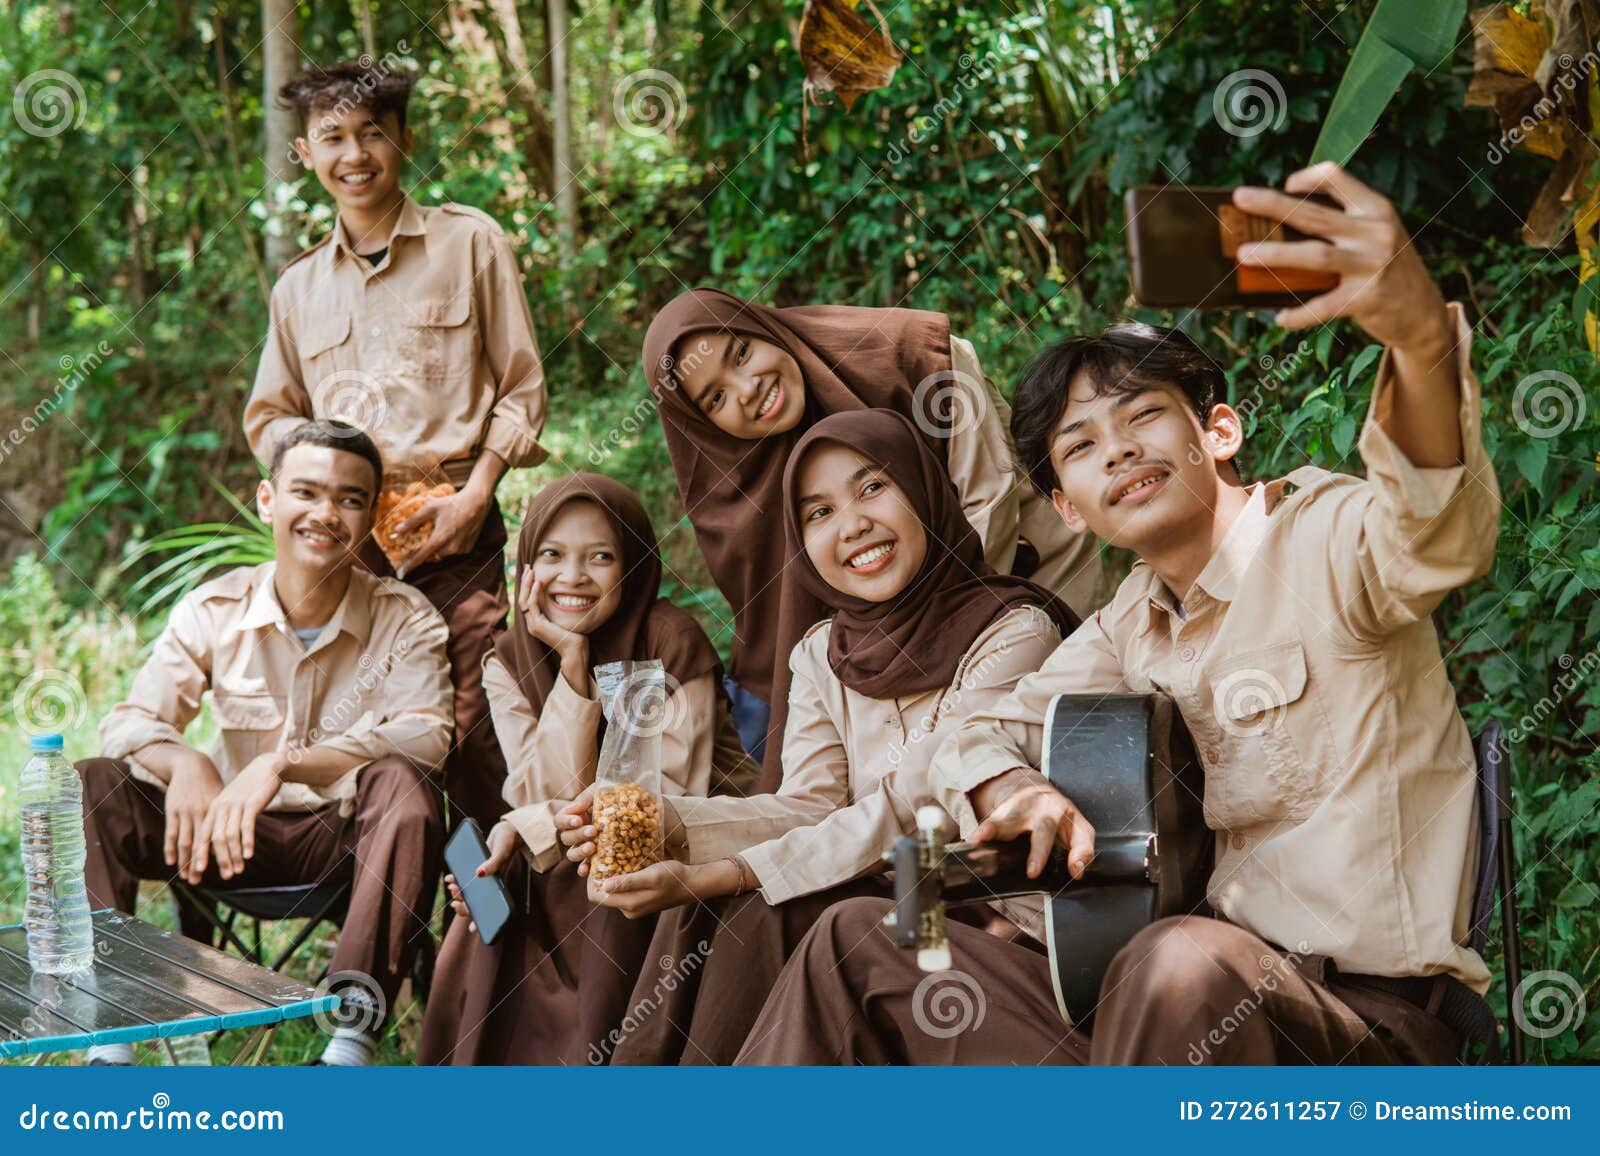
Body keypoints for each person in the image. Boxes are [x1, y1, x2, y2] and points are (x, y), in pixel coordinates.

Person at [737, 162, 1501, 1066]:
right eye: (1081, 447)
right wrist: (1008, 787)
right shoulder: (1124, 627)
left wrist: (1417, 340)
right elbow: (967, 739)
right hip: (1165, 1025)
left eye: (1143, 416)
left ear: (1217, 433)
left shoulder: (1321, 542)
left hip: (1367, 1028)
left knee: (1176, 960)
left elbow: (1431, 528)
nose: (1121, 450)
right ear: (1068, 506)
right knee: (863, 939)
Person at [565, 410, 1076, 1064]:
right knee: (718, 905)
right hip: (883, 893)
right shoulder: (819, 652)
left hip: (980, 910)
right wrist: (672, 824)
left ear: (924, 491)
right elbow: (807, 805)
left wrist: (730, 870)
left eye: (872, 488)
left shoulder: (1014, 631)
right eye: (818, 512)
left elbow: (917, 811)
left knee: (758, 902)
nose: (853, 524)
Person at [80, 421, 453, 1067]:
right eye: (305, 492)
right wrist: (186, 761)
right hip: (219, 839)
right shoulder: (214, 607)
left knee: (405, 784)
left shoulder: (405, 615)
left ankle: (348, 1045)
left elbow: (428, 734)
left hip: (343, 840)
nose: (324, 514)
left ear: (370, 516)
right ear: (266, 500)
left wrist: (285, 765)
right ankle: (110, 1038)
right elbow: (129, 721)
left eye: (349, 498)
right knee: (94, 781)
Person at [244, 60, 547, 831]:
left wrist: (475, 495)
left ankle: (495, 928)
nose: (354, 154)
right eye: (332, 138)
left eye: (371, 133)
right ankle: (390, 933)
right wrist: (324, 478)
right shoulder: (298, 290)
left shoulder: (469, 243)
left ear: (405, 141)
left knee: (480, 736)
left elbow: (521, 387)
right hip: (349, 552)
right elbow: (270, 417)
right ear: (305, 154)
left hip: (458, 530)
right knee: (372, 747)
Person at [642, 289, 1105, 784]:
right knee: (893, 783)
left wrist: (915, 642)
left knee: (1041, 747)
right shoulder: (737, 483)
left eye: (741, 353)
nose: (747, 388)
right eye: (716, 397)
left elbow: (986, 510)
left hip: (1019, 571)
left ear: (762, 328)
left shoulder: (915, 357)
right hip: (882, 629)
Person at [415, 473, 759, 1066]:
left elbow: (661, 805)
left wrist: (526, 824)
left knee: (610, 853)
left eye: (600, 557)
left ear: (632, 565)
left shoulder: (670, 641)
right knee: (493, 884)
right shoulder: (508, 657)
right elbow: (536, 788)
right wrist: (572, 670)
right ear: (526, 566)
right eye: (552, 555)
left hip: (690, 846)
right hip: (577, 847)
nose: (573, 577)